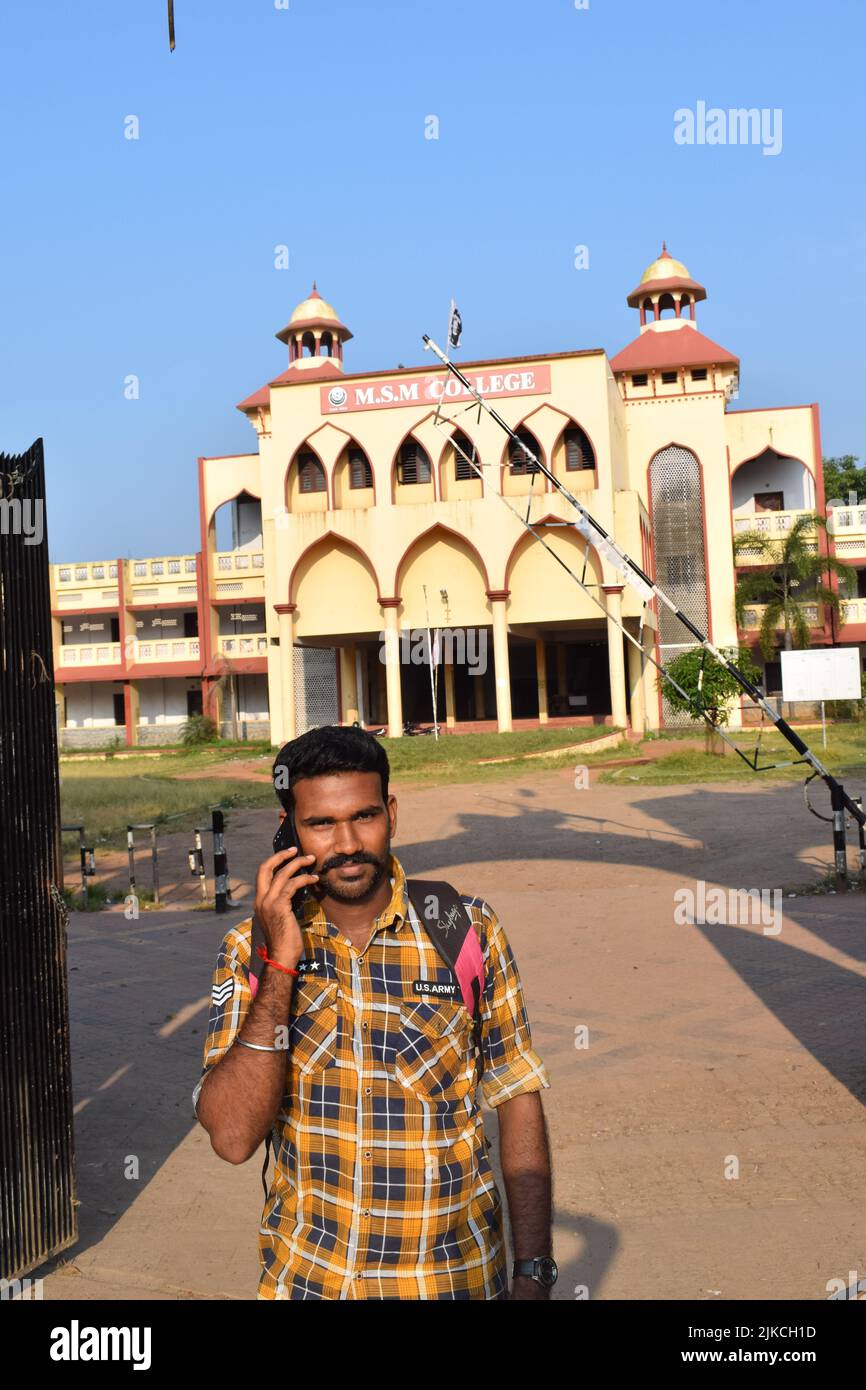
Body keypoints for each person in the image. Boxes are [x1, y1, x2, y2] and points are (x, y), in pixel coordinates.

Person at [193, 725, 555, 1300]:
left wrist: (534, 1268)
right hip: (309, 1280)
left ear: (391, 813)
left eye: (363, 816)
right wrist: (281, 962)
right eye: (320, 824)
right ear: (288, 831)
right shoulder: (250, 951)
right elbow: (233, 1138)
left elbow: (517, 1094)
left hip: (449, 1281)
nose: (348, 843)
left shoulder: (467, 931)